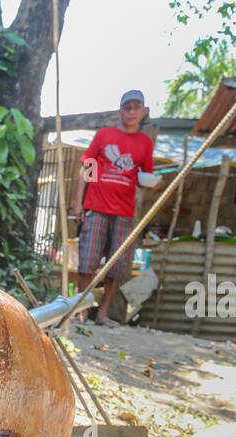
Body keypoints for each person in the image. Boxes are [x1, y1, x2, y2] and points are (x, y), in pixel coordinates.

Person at [70, 89, 164, 327]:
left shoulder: (145, 143)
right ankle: (81, 311)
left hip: (124, 212)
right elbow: (87, 167)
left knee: (116, 267)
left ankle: (102, 314)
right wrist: (78, 201)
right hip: (96, 207)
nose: (131, 111)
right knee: (87, 263)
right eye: (127, 107)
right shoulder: (104, 135)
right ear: (120, 111)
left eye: (136, 107)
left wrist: (154, 183)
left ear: (142, 112)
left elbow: (145, 176)